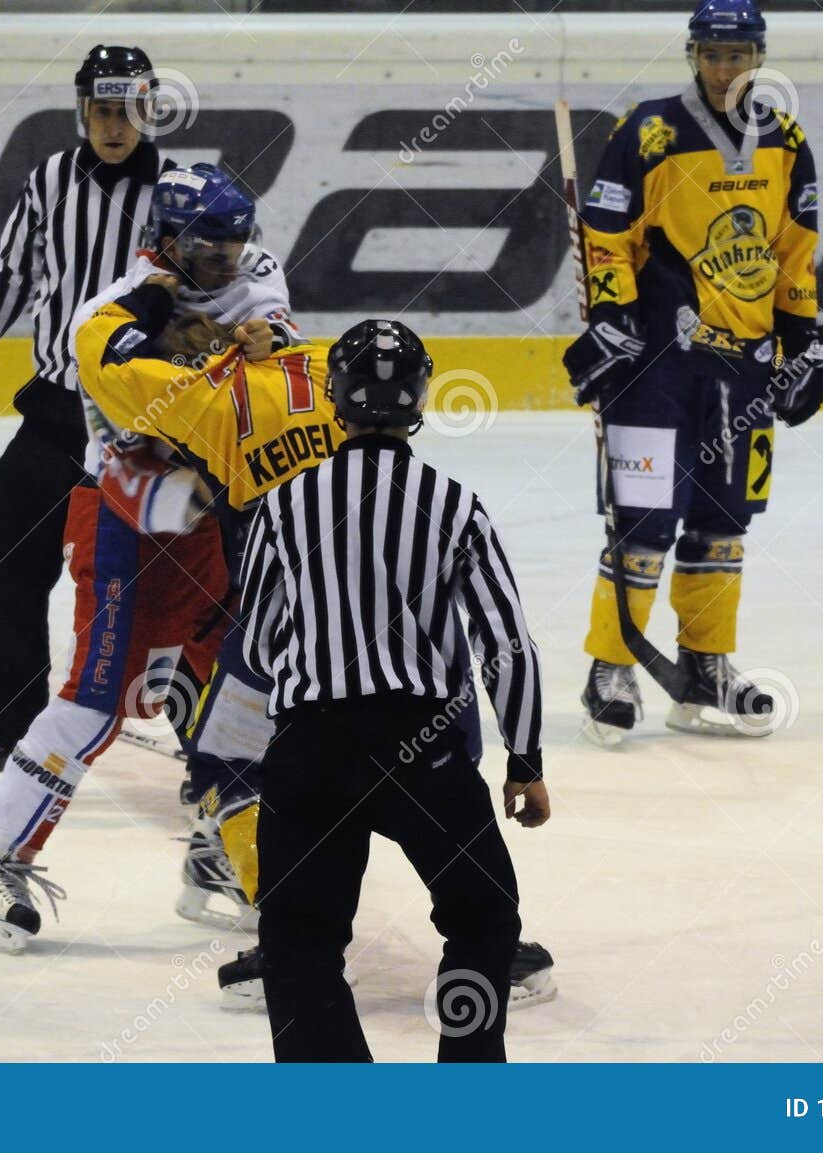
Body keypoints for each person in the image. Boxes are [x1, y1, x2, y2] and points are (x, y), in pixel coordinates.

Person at [0, 265, 332, 954]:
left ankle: (217, 853)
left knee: (243, 708)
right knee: (92, 711)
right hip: (128, 549)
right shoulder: (119, 374)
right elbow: (137, 486)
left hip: (203, 552)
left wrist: (270, 342)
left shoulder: (226, 337)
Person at [240, 319, 549, 1062]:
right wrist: (526, 757)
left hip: (310, 749)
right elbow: (507, 643)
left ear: (335, 398)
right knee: (483, 920)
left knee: (299, 941)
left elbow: (254, 643)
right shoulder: (453, 503)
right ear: (420, 398)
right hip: (424, 753)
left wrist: (319, 667)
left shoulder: (284, 504)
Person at [563, 0, 823, 747]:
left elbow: (796, 247)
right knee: (643, 526)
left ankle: (705, 665)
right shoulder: (648, 130)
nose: (724, 69)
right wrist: (614, 315)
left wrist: (805, 335)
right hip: (656, 366)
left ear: (759, 56)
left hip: (743, 368)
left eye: (738, 55)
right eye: (712, 55)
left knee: (723, 523)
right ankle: (610, 668)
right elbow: (606, 238)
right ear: (692, 56)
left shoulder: (785, 135)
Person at [0, 45, 169, 799]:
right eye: (102, 109)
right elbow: (14, 275)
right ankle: (6, 721)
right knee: (10, 567)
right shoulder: (49, 182)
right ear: (82, 110)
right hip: (57, 413)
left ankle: (215, 740)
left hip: (145, 423)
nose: (115, 124)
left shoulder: (177, 193)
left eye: (129, 109)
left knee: (176, 584)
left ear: (148, 108)